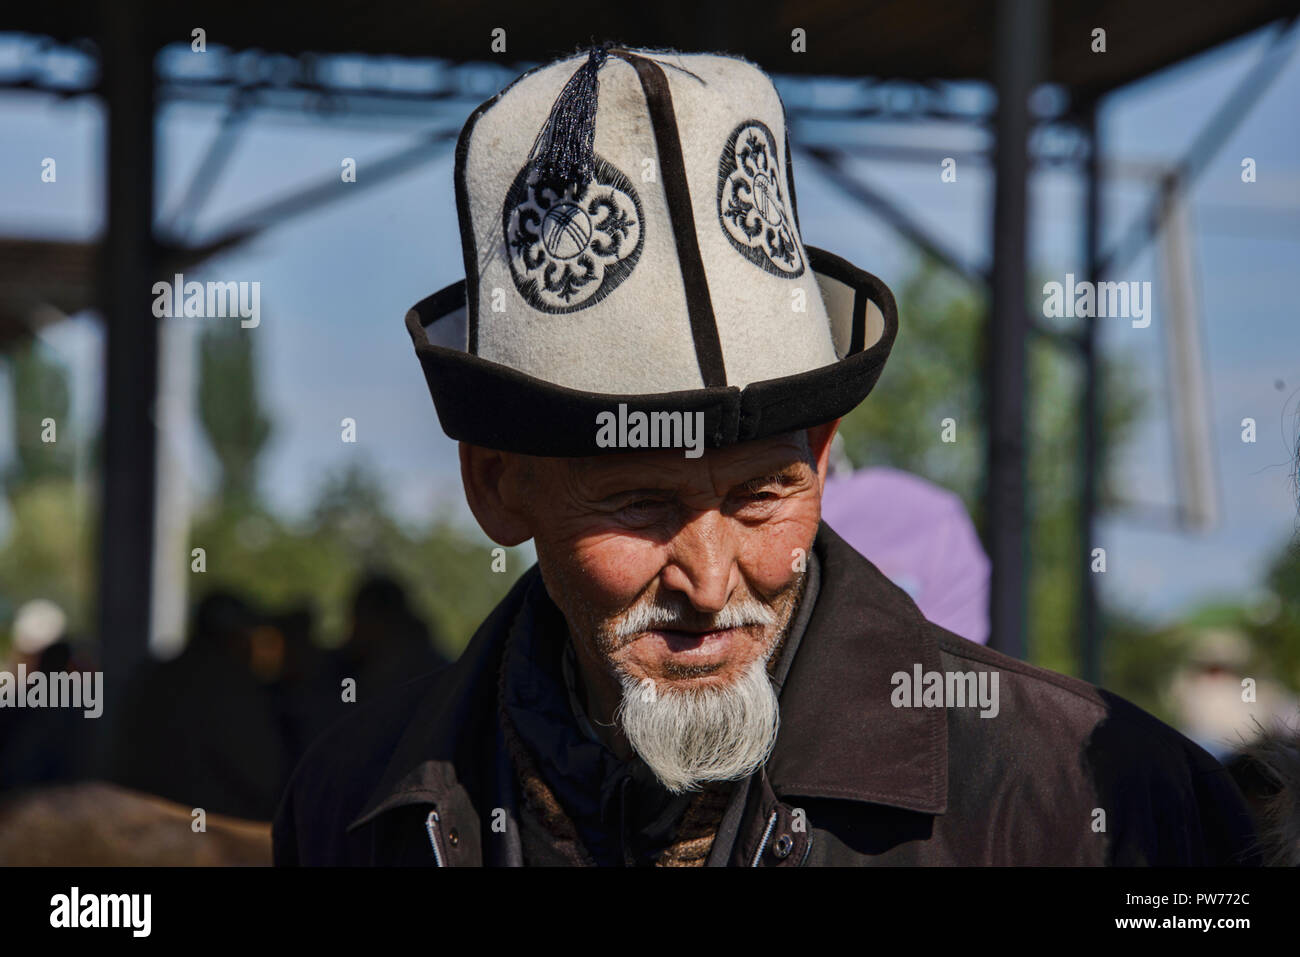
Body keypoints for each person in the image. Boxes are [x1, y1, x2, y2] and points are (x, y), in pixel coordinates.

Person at [274, 44, 1258, 866]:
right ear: (498, 487)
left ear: (823, 463)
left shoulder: (1095, 804)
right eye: (640, 505)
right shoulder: (358, 806)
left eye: (759, 497)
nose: (710, 584)